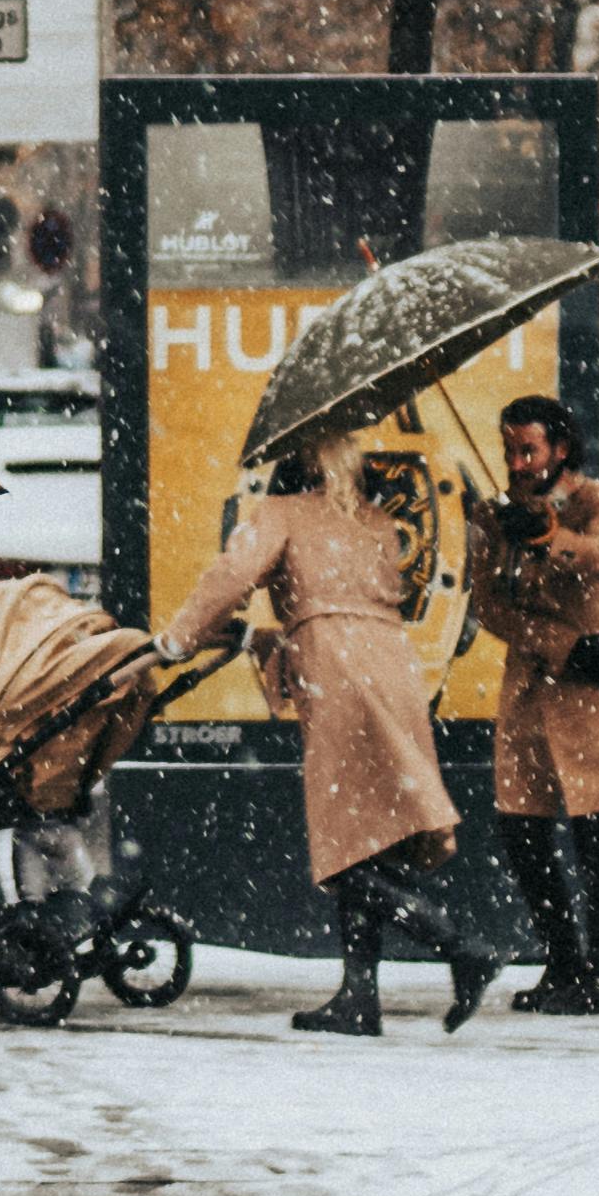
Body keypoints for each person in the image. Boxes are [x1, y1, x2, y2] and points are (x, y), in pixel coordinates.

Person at [152, 431, 501, 1037]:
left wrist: (178, 638)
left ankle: (459, 947)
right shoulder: (377, 522)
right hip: (392, 663)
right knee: (370, 835)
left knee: (344, 846)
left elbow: (231, 576)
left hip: (337, 668)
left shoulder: (282, 513)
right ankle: (358, 996)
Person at [468, 397, 599, 1016]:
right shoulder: (497, 516)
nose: (517, 462)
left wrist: (548, 535)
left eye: (529, 450)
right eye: (510, 449)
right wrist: (559, 645)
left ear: (560, 449)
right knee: (523, 831)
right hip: (530, 692)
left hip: (591, 698)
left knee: (598, 839)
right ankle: (563, 962)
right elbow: (489, 606)